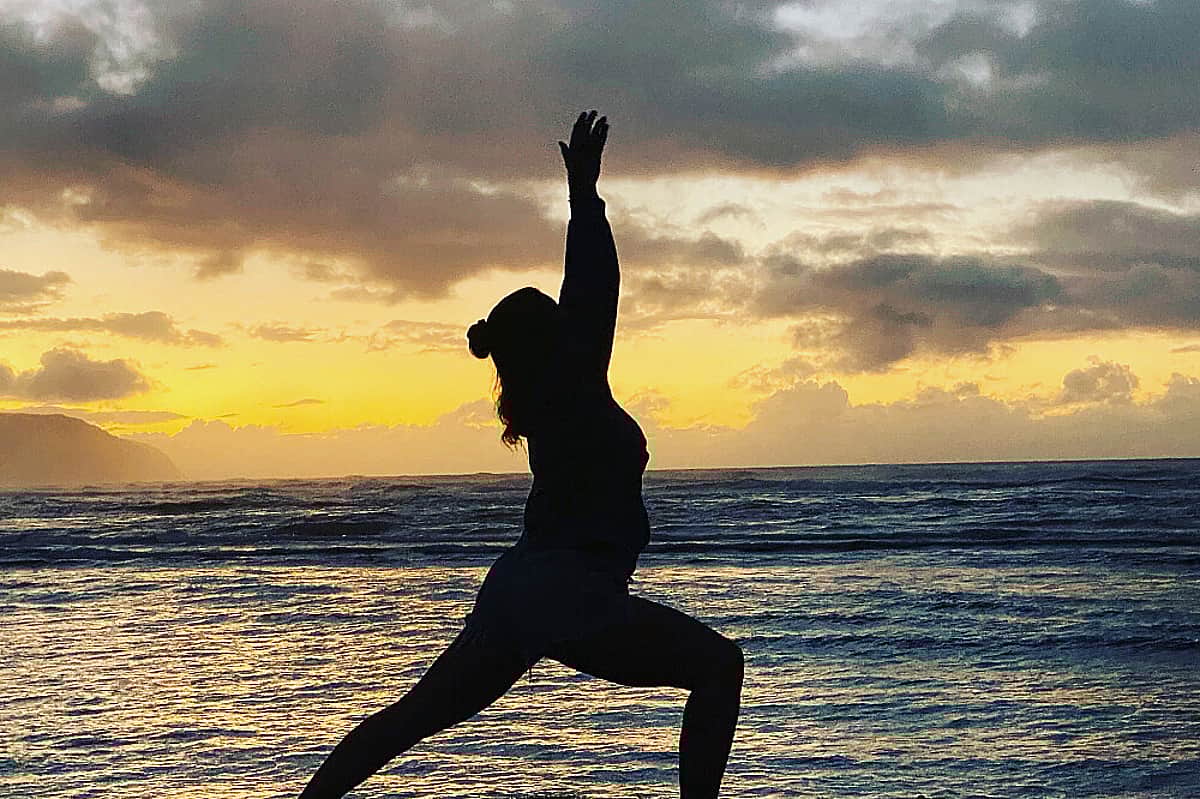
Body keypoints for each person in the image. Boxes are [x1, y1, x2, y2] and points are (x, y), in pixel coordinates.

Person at [297, 111, 744, 799]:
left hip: (522, 588)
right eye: (560, 320)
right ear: (553, 338)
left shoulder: (546, 396)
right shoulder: (572, 384)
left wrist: (584, 201)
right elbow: (595, 292)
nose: (574, 322)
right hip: (571, 588)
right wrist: (584, 199)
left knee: (411, 718)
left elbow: (587, 300)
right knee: (720, 666)